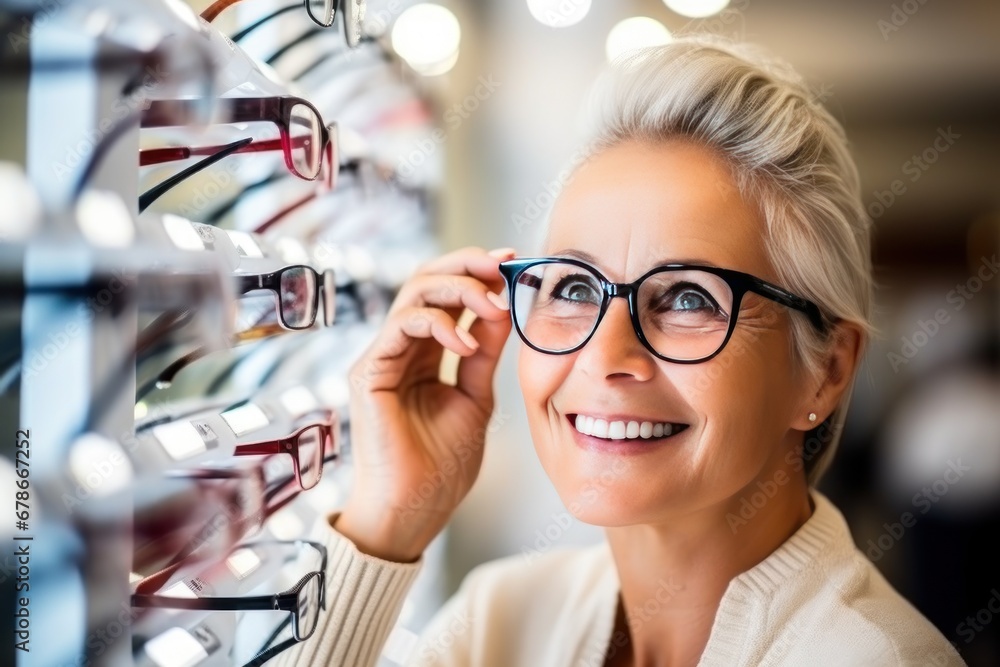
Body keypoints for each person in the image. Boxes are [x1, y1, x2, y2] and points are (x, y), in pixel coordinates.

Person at [273, 36, 966, 666]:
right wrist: (388, 518)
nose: (605, 356)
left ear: (826, 371)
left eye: (688, 298)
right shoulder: (501, 619)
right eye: (575, 287)